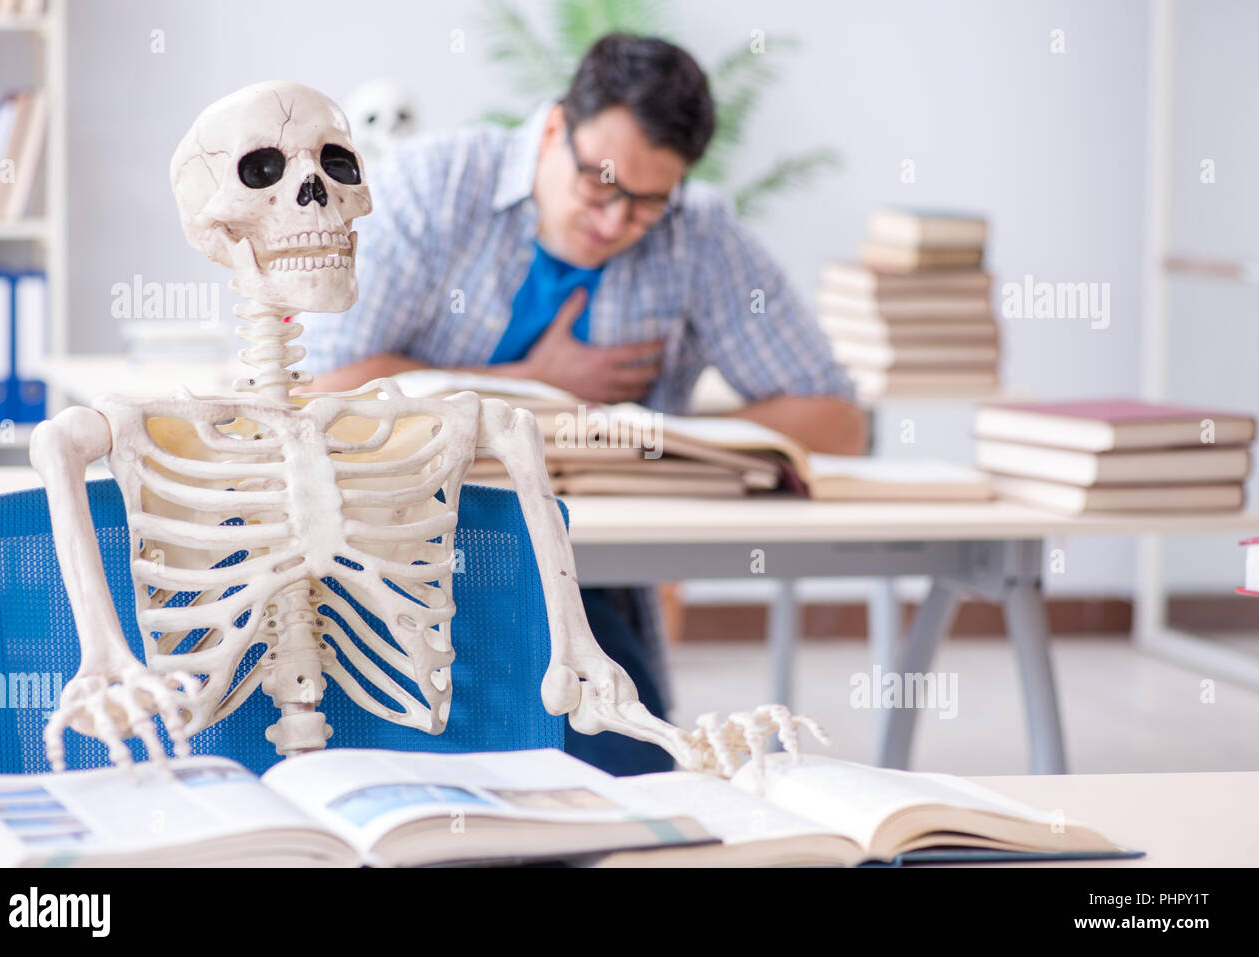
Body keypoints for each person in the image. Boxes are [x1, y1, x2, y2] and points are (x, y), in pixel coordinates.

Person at [301, 34, 866, 775]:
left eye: (645, 205)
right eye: (600, 190)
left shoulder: (695, 232)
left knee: (632, 791)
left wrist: (652, 436)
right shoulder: (430, 186)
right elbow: (319, 387)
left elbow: (837, 418)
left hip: (584, 575)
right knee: (414, 780)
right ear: (553, 128)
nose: (613, 223)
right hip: (398, 553)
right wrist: (535, 378)